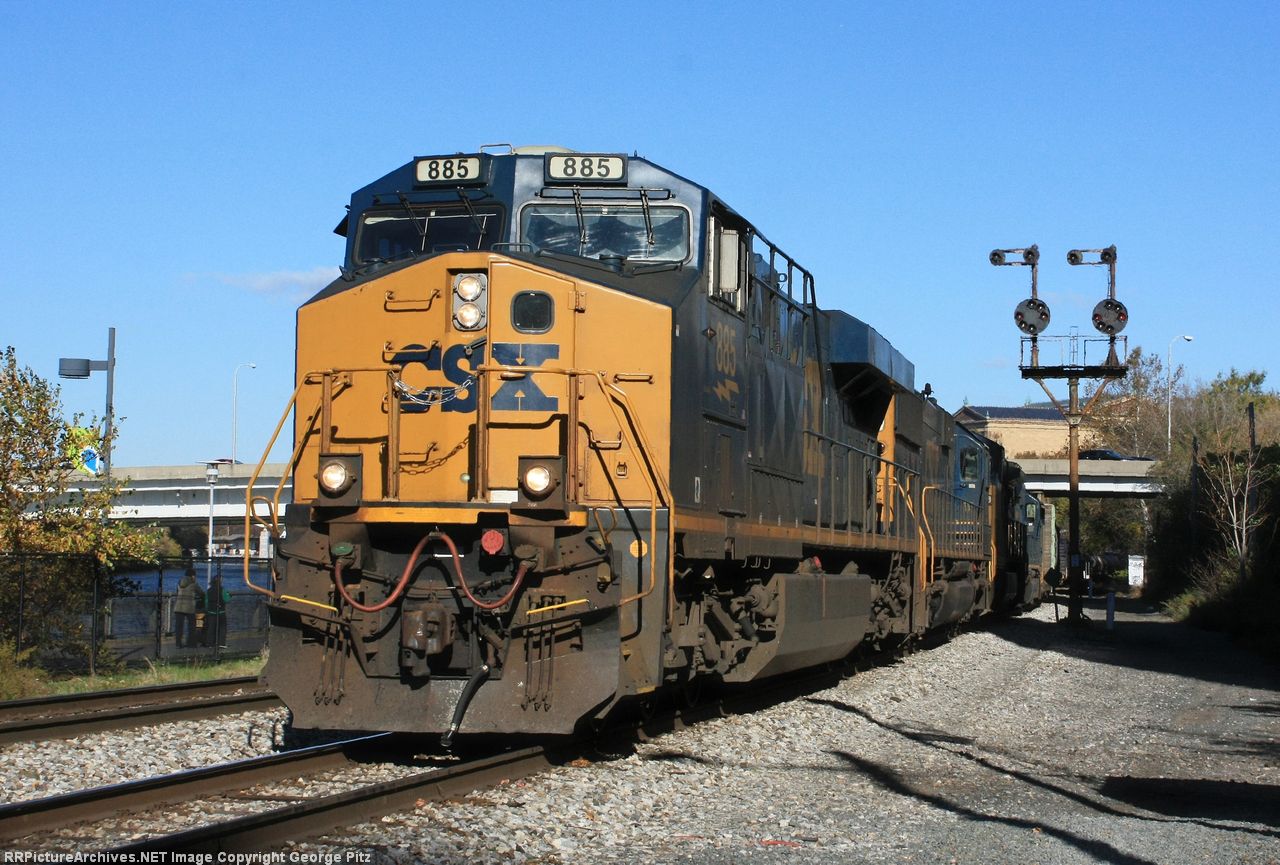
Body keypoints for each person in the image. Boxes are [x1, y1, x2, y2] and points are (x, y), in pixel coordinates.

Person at [174, 567, 199, 648]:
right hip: (189, 607)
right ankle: (191, 643)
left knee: (179, 626)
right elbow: (201, 592)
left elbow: (177, 592)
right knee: (191, 625)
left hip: (178, 606)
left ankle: (178, 644)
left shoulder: (179, 582)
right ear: (193, 576)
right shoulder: (194, 584)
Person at [206, 574, 230, 649]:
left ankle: (210, 643)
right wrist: (229, 595)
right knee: (222, 628)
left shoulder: (209, 590)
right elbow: (227, 599)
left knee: (211, 628)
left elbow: (206, 601)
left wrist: (207, 609)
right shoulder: (222, 590)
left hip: (211, 612)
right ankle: (221, 643)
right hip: (220, 612)